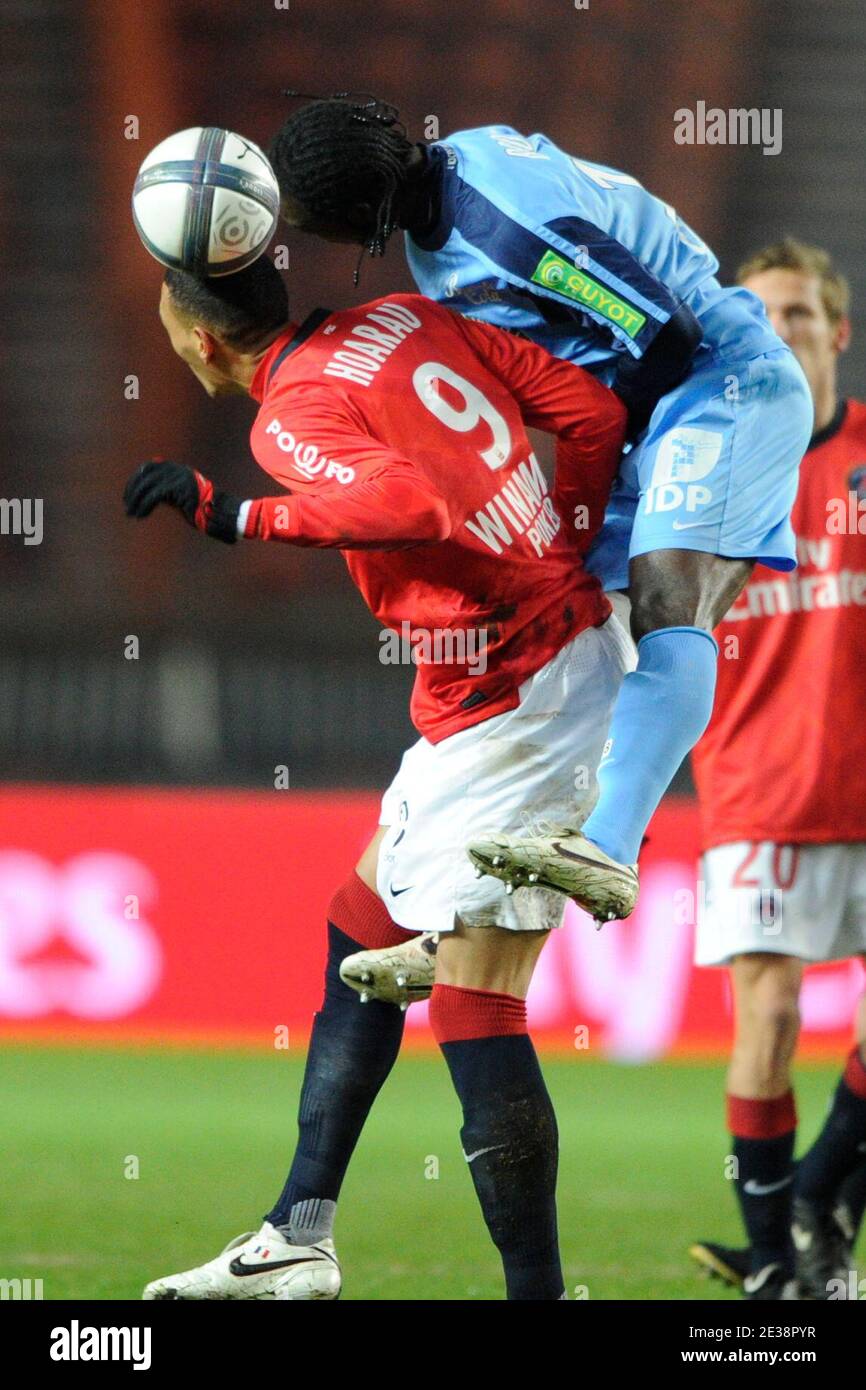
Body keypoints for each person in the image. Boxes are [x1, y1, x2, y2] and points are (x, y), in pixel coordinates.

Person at [128, 256, 632, 1300]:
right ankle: (297, 1230)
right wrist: (575, 549)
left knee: (473, 1007)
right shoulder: (404, 316)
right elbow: (586, 408)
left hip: (514, 696)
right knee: (359, 925)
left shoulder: (287, 416)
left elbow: (407, 501)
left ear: (200, 340)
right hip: (511, 680)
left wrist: (236, 517)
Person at [268, 95, 813, 946]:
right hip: (652, 412)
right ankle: (465, 921)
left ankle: (607, 846)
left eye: (329, 227)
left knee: (672, 597)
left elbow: (665, 334)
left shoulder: (505, 232)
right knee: (553, 625)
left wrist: (598, 439)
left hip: (719, 384)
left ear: (359, 214)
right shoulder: (448, 197)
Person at [687, 240, 866, 1300]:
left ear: (835, 332)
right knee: (768, 1020)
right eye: (757, 316)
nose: (779, 331)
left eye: (798, 314)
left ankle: (815, 1197)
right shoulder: (706, 465)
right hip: (756, 786)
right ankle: (777, 1264)